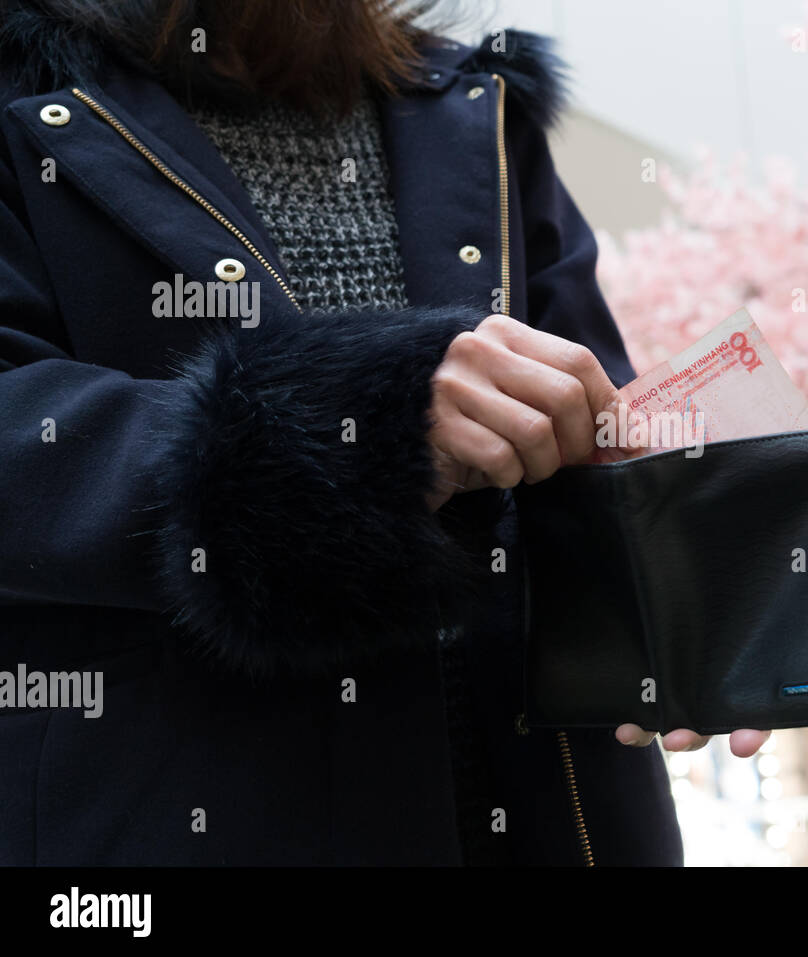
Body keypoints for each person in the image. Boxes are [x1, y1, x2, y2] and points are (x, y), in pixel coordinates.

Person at [0, 0, 769, 866]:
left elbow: (597, 423)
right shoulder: (23, 90)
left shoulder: (476, 105)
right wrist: (362, 430)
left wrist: (680, 585)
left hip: (554, 806)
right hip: (180, 808)